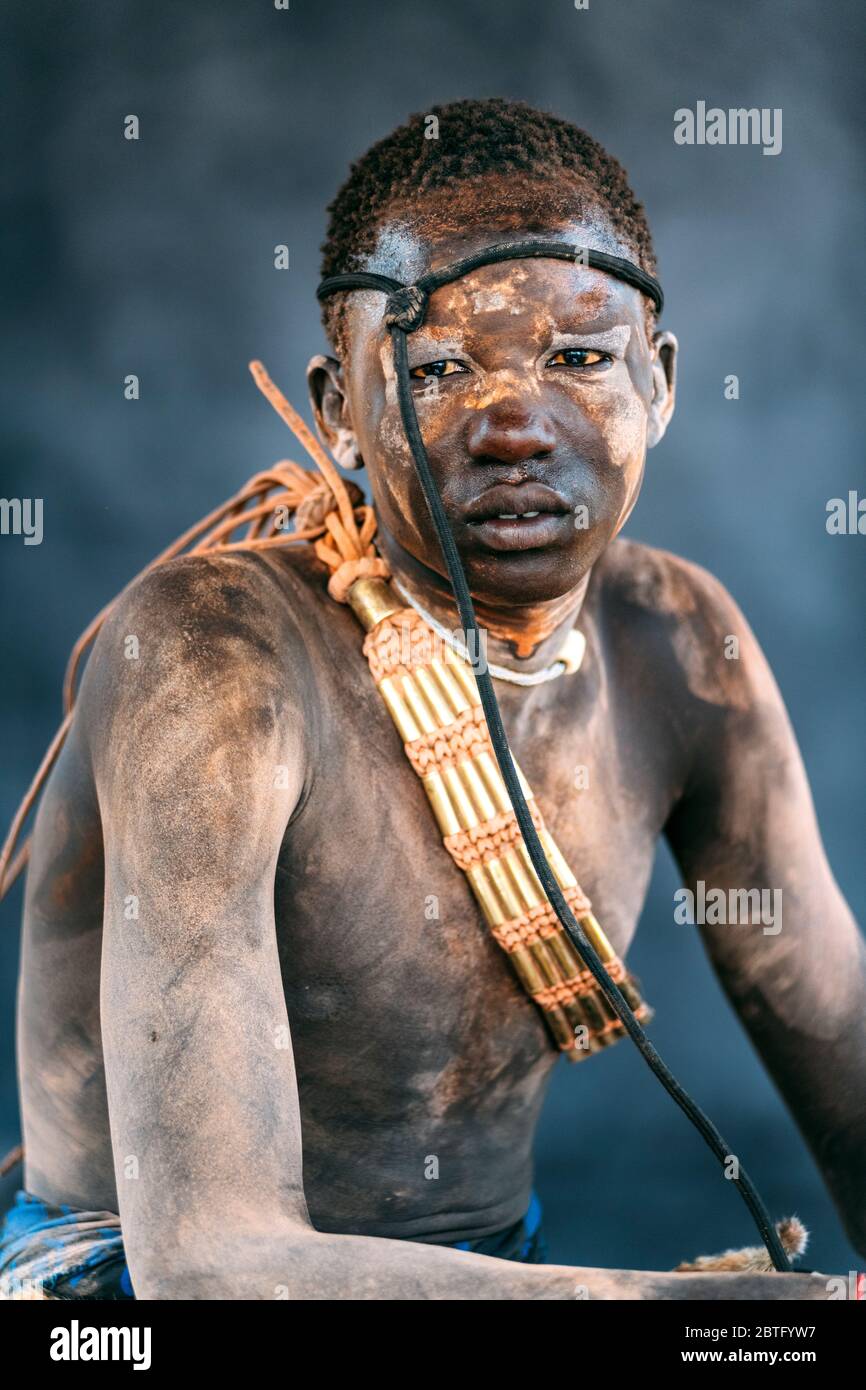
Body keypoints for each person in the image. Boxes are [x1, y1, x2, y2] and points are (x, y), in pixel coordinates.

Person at [1, 97, 863, 1300]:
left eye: (576, 357)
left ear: (657, 382)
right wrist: (690, 1315)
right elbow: (212, 1270)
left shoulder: (675, 639)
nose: (513, 424)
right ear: (340, 411)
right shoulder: (211, 658)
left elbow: (838, 1033)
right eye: (438, 370)